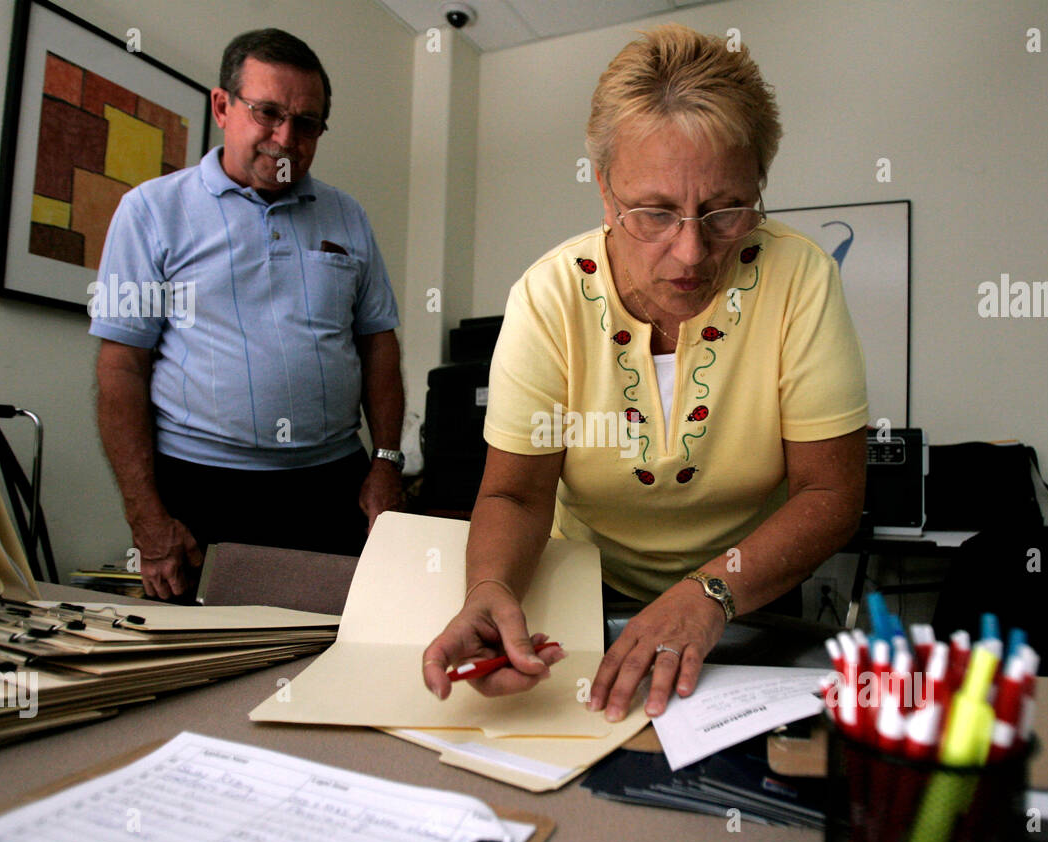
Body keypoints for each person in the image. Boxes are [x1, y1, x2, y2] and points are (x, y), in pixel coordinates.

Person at [421, 25, 868, 721]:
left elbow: (830, 491)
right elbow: (515, 497)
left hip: (747, 601)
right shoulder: (549, 297)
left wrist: (710, 594)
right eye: (655, 213)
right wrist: (489, 587)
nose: (691, 252)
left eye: (725, 211)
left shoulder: (800, 277)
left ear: (759, 185)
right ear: (604, 190)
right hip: (579, 602)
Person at [91, 28, 404, 600]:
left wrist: (385, 462)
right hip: (202, 487)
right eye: (268, 113)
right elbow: (120, 368)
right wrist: (147, 520)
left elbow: (378, 342)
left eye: (307, 123)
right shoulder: (150, 211)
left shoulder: (348, 215)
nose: (286, 138)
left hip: (332, 483)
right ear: (222, 107)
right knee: (211, 665)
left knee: (338, 645)